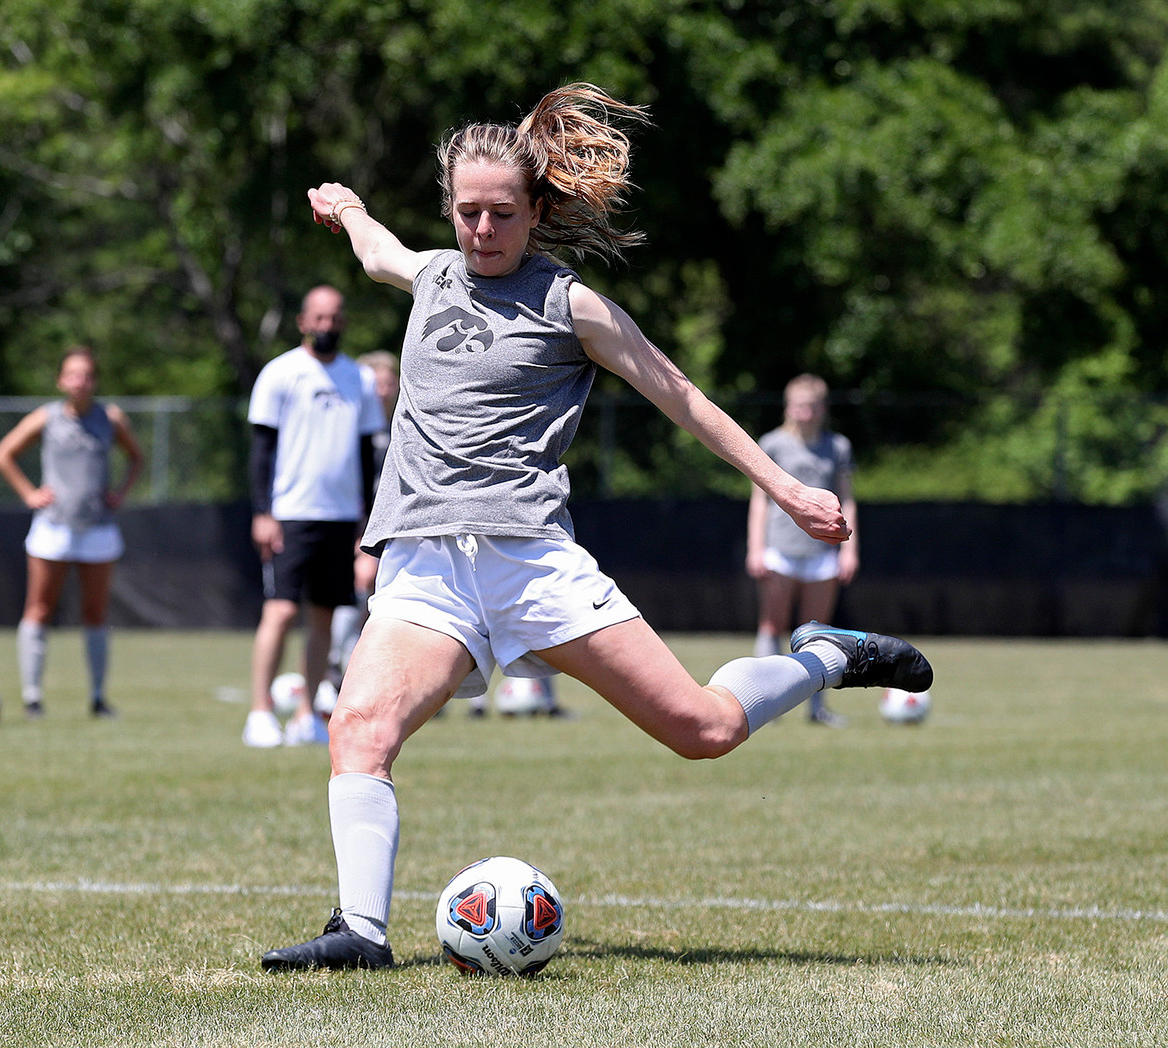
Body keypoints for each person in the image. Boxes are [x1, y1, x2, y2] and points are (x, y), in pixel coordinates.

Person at [259, 83, 933, 971]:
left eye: (503, 213)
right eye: (467, 212)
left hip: (533, 563)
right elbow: (378, 249)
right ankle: (361, 932)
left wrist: (785, 491)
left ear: (537, 210)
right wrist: (346, 207)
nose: (483, 230)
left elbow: (681, 397)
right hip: (426, 566)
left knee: (704, 730)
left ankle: (825, 657)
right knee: (359, 730)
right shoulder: (429, 275)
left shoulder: (570, 305)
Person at [242, 286, 386, 749]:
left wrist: (364, 522)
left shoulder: (358, 379)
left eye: (334, 318)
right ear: (304, 321)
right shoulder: (280, 373)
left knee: (324, 617)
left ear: (343, 322)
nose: (326, 325)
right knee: (281, 610)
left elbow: (367, 455)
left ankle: (306, 714)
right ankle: (260, 713)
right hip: (290, 514)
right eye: (318, 317)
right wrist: (263, 512)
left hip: (341, 517)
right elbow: (262, 450)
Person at [0, 346, 143, 719]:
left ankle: (98, 698)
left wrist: (120, 493)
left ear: (95, 380)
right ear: (60, 380)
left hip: (97, 528)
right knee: (39, 609)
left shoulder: (111, 418)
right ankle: (32, 697)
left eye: (87, 375)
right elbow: (1, 455)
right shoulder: (47, 417)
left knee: (95, 612)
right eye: (72, 374)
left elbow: (136, 457)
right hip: (53, 528)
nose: (80, 382)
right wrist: (29, 493)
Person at [746, 374, 860, 727]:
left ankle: (816, 708)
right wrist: (756, 548)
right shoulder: (773, 443)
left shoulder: (837, 447)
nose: (804, 413)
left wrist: (849, 550)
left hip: (822, 552)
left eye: (810, 406)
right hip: (780, 548)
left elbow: (848, 500)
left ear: (822, 409)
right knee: (773, 623)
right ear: (787, 407)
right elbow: (759, 501)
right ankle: (763, 704)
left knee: (817, 631)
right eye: (797, 405)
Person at [326, 349, 400, 697]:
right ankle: (334, 668)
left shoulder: (408, 424)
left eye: (390, 382)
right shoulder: (351, 428)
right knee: (357, 590)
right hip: (361, 528)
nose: (384, 390)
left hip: (401, 528)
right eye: (377, 383)